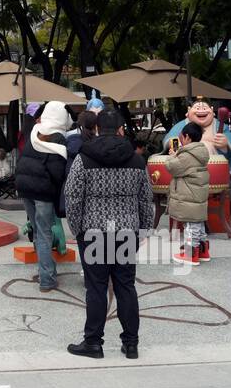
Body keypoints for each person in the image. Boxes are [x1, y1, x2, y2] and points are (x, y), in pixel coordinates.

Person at [62, 109, 156, 360]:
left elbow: (72, 196)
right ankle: (131, 343)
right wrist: (144, 229)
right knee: (126, 285)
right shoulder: (136, 160)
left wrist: (77, 228)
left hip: (93, 230)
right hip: (126, 231)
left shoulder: (84, 157)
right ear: (121, 129)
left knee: (96, 287)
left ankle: (93, 343)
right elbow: (146, 199)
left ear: (96, 128)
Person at [15, 100, 72, 293]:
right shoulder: (58, 138)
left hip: (24, 187)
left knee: (39, 232)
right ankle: (47, 280)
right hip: (42, 191)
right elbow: (57, 171)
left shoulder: (35, 131)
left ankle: (44, 271)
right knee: (45, 232)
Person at [167, 122, 211, 266]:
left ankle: (191, 254)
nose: (181, 141)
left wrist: (173, 156)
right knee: (198, 224)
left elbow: (172, 167)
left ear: (187, 137)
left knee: (191, 226)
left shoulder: (188, 155)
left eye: (181, 138)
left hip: (189, 195)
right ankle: (203, 251)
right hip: (196, 195)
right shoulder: (200, 152)